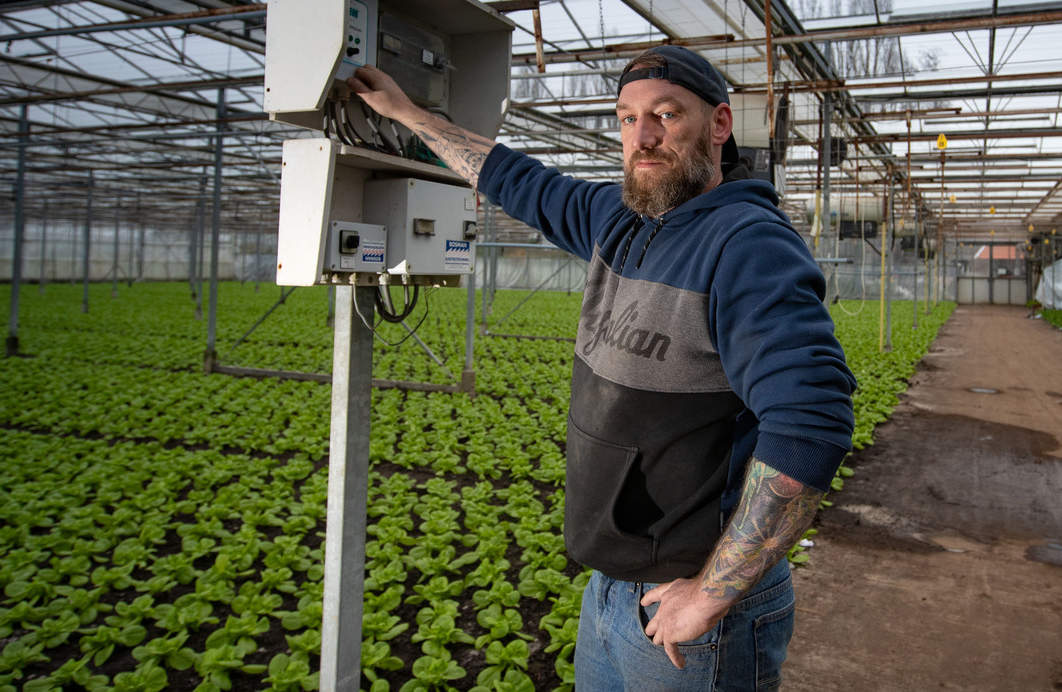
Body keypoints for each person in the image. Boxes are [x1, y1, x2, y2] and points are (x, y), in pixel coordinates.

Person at [348, 45, 855, 690]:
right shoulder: (618, 218)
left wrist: (709, 595)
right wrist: (407, 113)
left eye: (666, 115)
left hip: (696, 611)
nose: (642, 138)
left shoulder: (747, 244)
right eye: (626, 118)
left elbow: (811, 421)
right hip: (613, 588)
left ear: (720, 126)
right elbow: (513, 177)